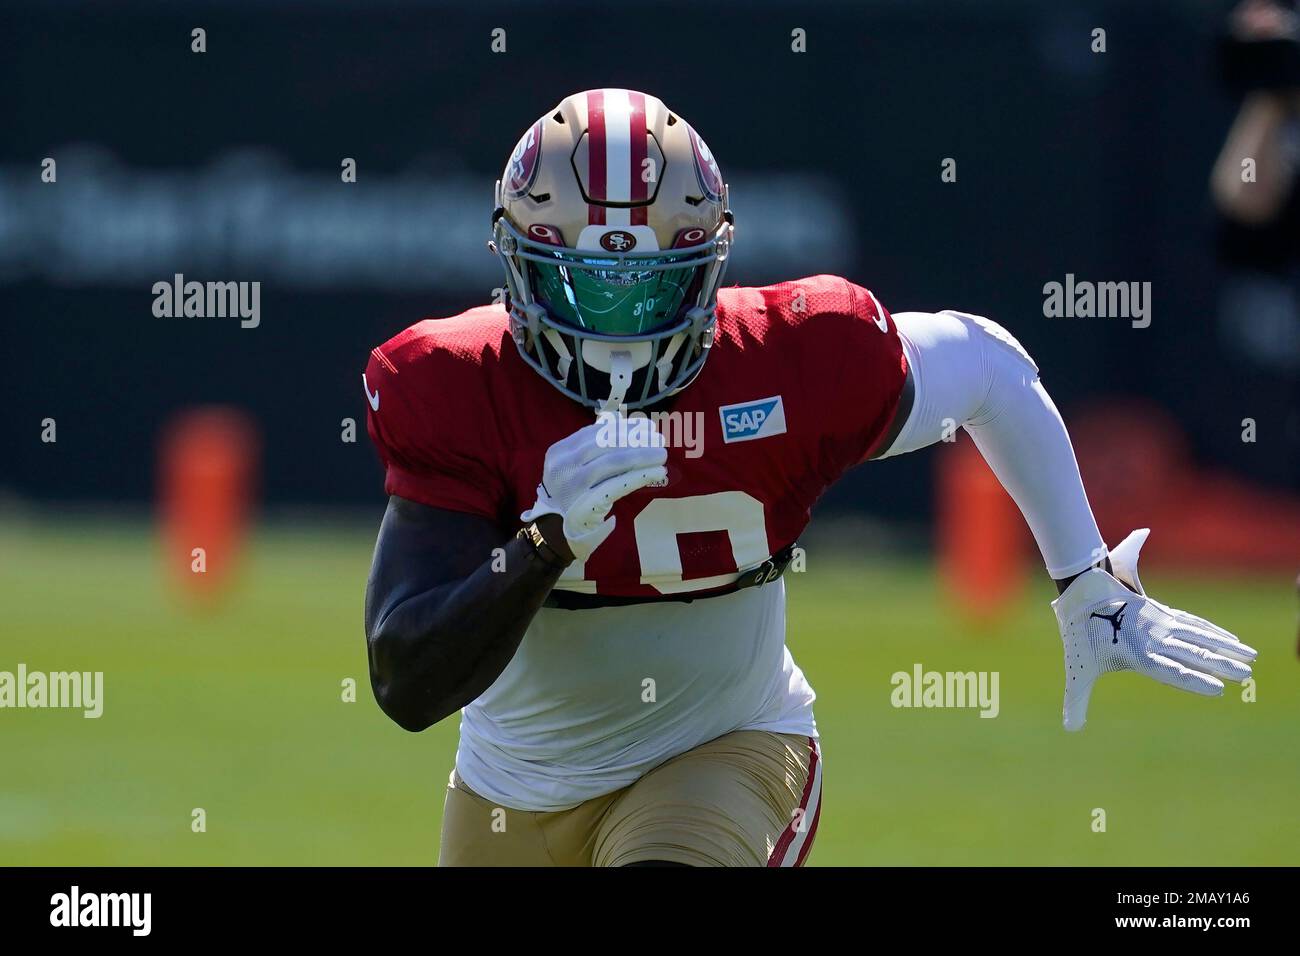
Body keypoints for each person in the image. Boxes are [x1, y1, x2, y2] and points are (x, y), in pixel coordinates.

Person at [362, 89, 1257, 867]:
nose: (617, 322)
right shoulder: (458, 385)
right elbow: (407, 685)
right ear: (516, 266)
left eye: (646, 284)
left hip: (721, 748)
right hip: (512, 790)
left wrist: (1083, 580)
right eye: (588, 283)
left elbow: (988, 368)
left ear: (708, 262)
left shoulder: (791, 359)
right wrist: (541, 543)